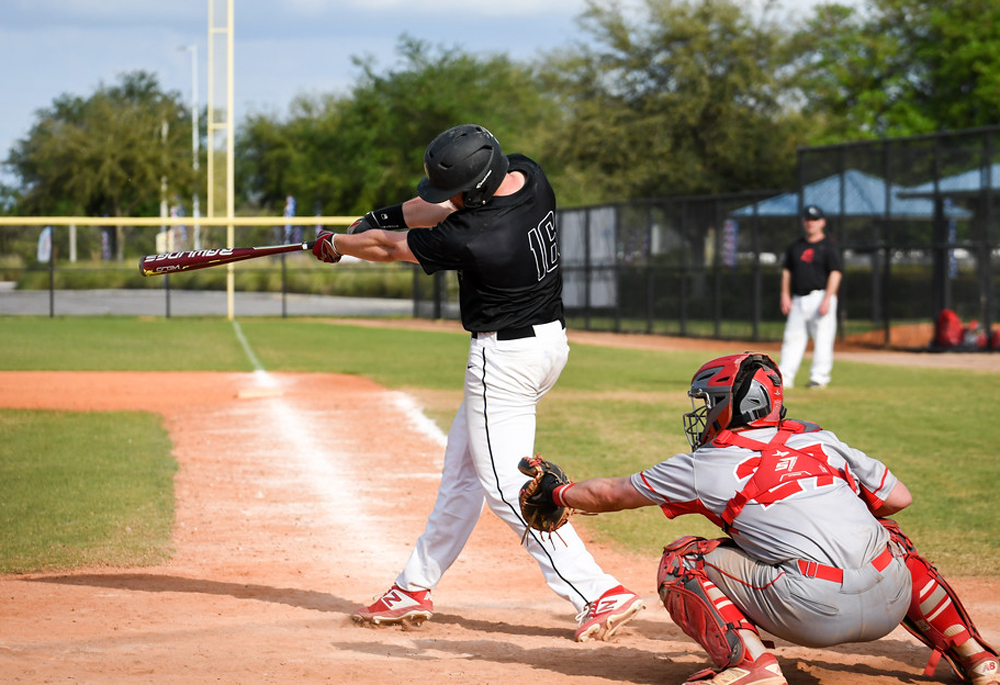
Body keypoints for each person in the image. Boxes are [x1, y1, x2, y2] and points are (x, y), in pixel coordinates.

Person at [311, 123, 644, 641]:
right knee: (463, 475)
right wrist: (372, 219)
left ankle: (598, 591)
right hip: (546, 346)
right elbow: (430, 211)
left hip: (504, 361)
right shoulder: (529, 177)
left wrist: (340, 244)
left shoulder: (479, 237)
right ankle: (413, 587)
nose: (452, 200)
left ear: (478, 190)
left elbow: (388, 246)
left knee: (510, 490)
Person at [520, 352, 999, 685]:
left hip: (810, 610)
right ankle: (977, 657)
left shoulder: (704, 465)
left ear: (734, 405)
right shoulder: (819, 440)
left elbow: (611, 494)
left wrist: (559, 491)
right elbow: (898, 498)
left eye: (709, 402)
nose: (704, 413)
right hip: (891, 597)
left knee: (683, 560)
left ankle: (752, 666)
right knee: (888, 536)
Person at [779, 204, 843, 389]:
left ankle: (819, 377)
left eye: (814, 220)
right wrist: (785, 294)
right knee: (792, 338)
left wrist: (828, 298)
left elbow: (836, 273)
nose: (810, 223)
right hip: (798, 298)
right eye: (807, 219)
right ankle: (785, 377)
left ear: (822, 222)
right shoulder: (795, 247)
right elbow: (787, 272)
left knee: (823, 339)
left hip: (820, 296)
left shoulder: (829, 246)